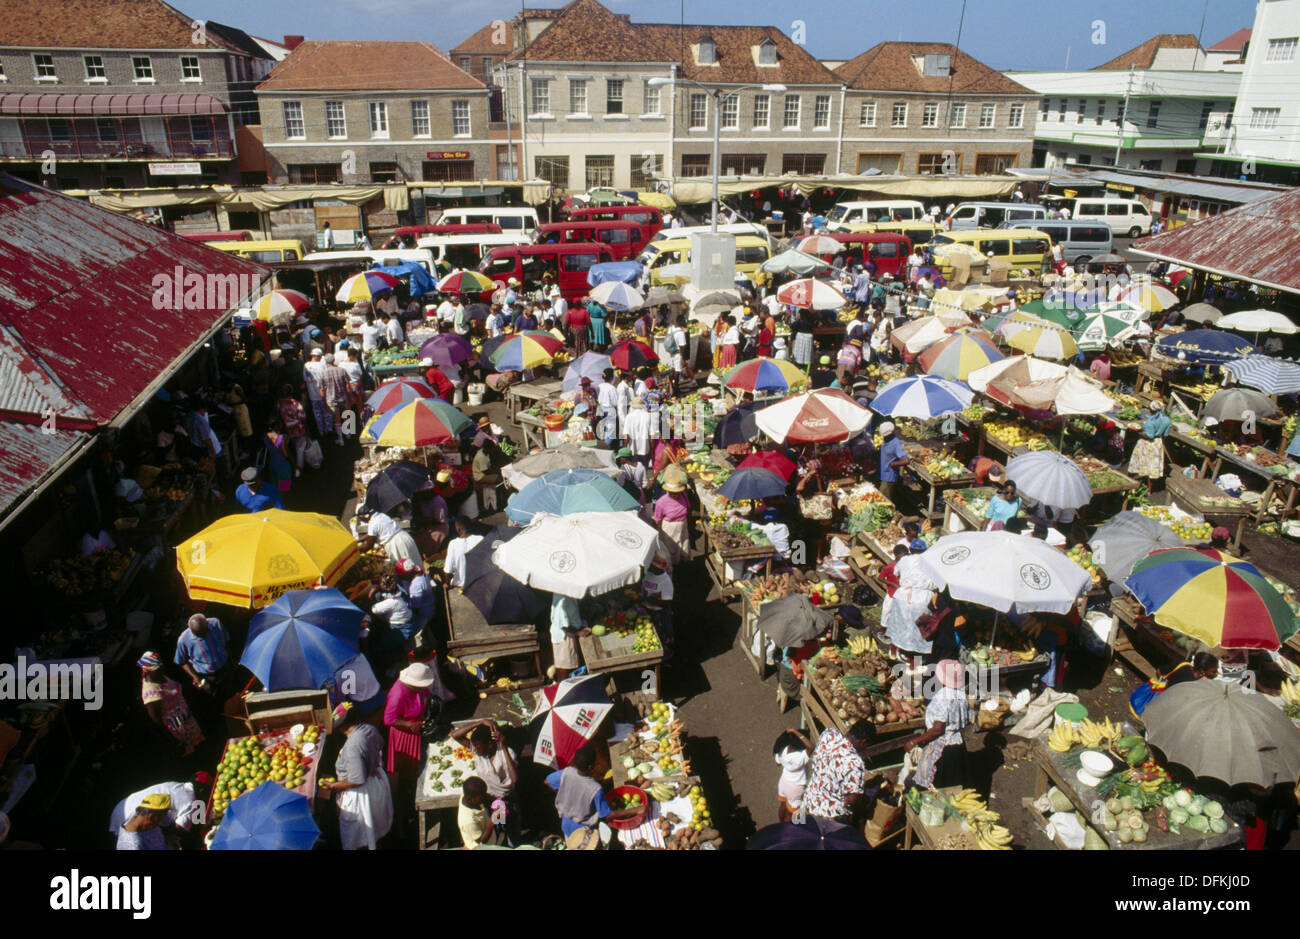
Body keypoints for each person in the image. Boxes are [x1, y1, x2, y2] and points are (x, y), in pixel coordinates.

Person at [320, 704, 394, 850]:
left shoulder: (352, 747)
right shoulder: (369, 728)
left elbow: (357, 780)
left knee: (360, 835)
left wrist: (333, 785)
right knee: (375, 828)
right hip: (376, 783)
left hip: (361, 794)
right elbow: (380, 744)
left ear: (341, 728)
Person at [903, 658, 971, 789]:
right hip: (958, 745)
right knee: (952, 785)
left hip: (942, 748)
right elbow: (966, 720)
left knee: (936, 785)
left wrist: (915, 741)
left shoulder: (943, 696)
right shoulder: (962, 694)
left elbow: (938, 729)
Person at [545, 744, 637, 841]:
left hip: (566, 823)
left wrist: (562, 795)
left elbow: (547, 782)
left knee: (572, 843)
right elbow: (607, 815)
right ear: (591, 767)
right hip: (584, 831)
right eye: (596, 762)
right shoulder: (595, 789)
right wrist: (635, 810)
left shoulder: (567, 772)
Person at [451, 719, 520, 844]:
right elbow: (455, 735)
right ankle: (499, 838)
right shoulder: (479, 752)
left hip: (506, 800)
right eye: (474, 746)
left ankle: (511, 843)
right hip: (489, 799)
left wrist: (503, 746)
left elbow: (515, 778)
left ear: (490, 744)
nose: (475, 750)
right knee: (495, 826)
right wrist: (480, 722)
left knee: (510, 829)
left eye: (477, 746)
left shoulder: (506, 753)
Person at [802, 720, 878, 824]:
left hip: (811, 799)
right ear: (863, 742)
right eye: (867, 745)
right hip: (830, 816)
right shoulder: (855, 763)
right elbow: (852, 800)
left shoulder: (829, 734)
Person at [137, 651, 204, 757]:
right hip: (177, 727)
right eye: (157, 669)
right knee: (191, 753)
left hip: (185, 717)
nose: (160, 669)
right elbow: (156, 718)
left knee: (199, 746)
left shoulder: (160, 676)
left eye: (160, 667)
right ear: (148, 671)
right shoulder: (151, 692)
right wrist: (173, 740)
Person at [108, 774, 210, 841]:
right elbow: (179, 829)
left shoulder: (174, 784)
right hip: (133, 822)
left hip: (120, 809)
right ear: (201, 790)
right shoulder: (191, 801)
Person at [384, 662, 435, 782]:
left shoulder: (418, 689)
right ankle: (407, 787)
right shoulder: (398, 695)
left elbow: (426, 696)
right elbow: (388, 719)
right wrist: (409, 725)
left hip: (416, 728)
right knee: (403, 764)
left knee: (415, 763)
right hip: (403, 734)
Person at [1129, 652, 1220, 718]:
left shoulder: (1183, 664)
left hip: (1160, 699)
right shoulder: (1196, 684)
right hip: (1167, 709)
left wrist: (1164, 684)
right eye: (1213, 671)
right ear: (1202, 671)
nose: (1216, 673)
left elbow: (1159, 672)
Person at [174, 614, 232, 707]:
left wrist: (230, 661)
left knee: (231, 696)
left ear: (207, 623)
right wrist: (194, 676)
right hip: (207, 677)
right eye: (200, 634)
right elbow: (182, 661)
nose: (204, 635)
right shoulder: (183, 640)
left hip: (225, 668)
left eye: (205, 631)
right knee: (216, 702)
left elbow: (226, 641)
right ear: (191, 630)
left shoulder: (215, 623)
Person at [1128, 397, 1171, 490]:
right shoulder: (1167, 420)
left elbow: (1149, 436)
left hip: (1146, 443)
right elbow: (1166, 434)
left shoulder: (1150, 422)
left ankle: (1128, 483)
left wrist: (1136, 431)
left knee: (1136, 462)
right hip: (1157, 443)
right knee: (1151, 466)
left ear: (1151, 410)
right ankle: (1149, 490)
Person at [654, 465, 692, 566]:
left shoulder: (683, 495)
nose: (675, 495)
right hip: (669, 528)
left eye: (677, 493)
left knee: (683, 544)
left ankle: (683, 564)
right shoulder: (661, 502)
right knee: (671, 549)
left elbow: (688, 507)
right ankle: (672, 567)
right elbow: (657, 518)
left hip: (682, 524)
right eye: (672, 493)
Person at [358, 507, 423, 566]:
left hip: (396, 544)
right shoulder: (380, 515)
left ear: (364, 517)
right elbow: (371, 534)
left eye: (361, 519)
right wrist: (358, 540)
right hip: (404, 537)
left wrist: (355, 550)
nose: (363, 521)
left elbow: (368, 546)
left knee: (406, 567)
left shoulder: (372, 523)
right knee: (416, 562)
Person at [773, 729, 813, 822]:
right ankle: (791, 829)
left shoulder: (783, 749)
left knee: (783, 805)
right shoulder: (799, 757)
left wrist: (793, 733)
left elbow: (778, 763)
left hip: (783, 782)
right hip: (795, 788)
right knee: (794, 813)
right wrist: (795, 732)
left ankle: (781, 823)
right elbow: (811, 747)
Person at [458, 776, 505, 849]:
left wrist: (491, 797)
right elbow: (480, 842)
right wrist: (492, 823)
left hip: (487, 835)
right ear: (470, 799)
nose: (484, 797)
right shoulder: (468, 821)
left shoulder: (467, 796)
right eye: (482, 796)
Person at [641, 552, 675, 652]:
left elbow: (666, 602)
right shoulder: (648, 574)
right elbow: (643, 587)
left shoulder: (666, 581)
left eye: (651, 565)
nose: (649, 566)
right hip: (647, 610)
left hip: (660, 613)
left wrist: (648, 599)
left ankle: (666, 654)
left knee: (662, 636)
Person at [549, 592, 585, 679]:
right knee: (566, 667)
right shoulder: (562, 597)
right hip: (564, 637)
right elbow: (563, 623)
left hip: (569, 634)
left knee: (570, 665)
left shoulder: (568, 595)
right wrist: (577, 632)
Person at [277, 385, 309, 476]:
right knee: (300, 449)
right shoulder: (296, 404)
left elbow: (279, 415)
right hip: (298, 429)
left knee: (292, 448)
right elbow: (303, 418)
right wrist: (306, 429)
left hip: (287, 430)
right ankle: (299, 469)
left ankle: (295, 467)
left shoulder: (279, 403)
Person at [443, 517, 484, 588]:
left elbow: (448, 569)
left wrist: (447, 584)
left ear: (458, 529)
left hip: (461, 584)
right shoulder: (480, 538)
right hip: (479, 580)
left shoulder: (453, 544)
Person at [876, 422, 909, 503]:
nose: (884, 437)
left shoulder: (896, 443)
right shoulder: (885, 440)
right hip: (882, 473)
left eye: (885, 436)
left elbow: (906, 460)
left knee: (884, 500)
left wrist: (893, 464)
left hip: (888, 476)